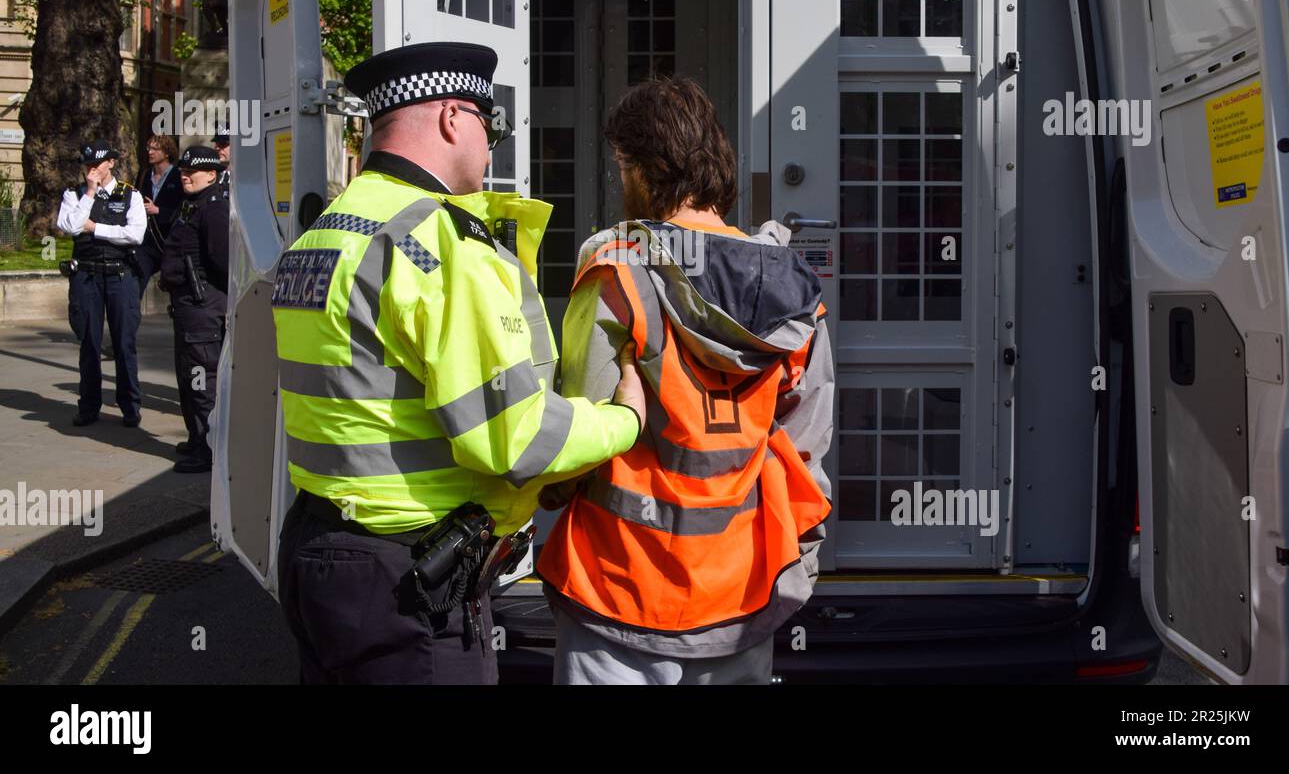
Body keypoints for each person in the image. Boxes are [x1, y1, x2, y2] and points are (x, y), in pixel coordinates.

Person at [271, 41, 646, 684]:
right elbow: (513, 437)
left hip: (317, 549)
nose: (492, 142)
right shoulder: (436, 243)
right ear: (451, 118)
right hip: (407, 581)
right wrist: (623, 420)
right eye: (487, 122)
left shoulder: (329, 230)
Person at [536, 75, 834, 685]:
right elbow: (808, 452)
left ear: (643, 170)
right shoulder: (792, 292)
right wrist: (798, 562)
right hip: (744, 588)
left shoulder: (616, 276)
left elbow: (575, 443)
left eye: (624, 168)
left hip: (617, 590)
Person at [56, 139, 146, 428]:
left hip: (120, 274)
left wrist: (96, 228)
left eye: (97, 165)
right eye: (88, 166)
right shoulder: (75, 194)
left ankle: (130, 406)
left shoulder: (130, 195)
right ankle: (89, 405)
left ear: (111, 163)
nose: (92, 170)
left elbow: (135, 234)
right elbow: (69, 225)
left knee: (124, 342)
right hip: (86, 275)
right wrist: (91, 194)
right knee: (89, 343)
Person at [158, 146, 229, 473]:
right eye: (183, 171)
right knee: (189, 377)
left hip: (202, 306)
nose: (184, 176)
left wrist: (209, 301)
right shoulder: (193, 204)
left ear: (212, 174)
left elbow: (222, 261)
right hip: (188, 305)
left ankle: (208, 449)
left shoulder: (213, 208)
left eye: (191, 172)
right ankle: (196, 439)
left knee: (202, 381)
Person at [134, 133, 184, 294]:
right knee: (137, 279)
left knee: (175, 286)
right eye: (149, 148)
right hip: (147, 241)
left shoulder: (178, 176)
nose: (150, 152)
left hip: (170, 240)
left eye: (156, 149)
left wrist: (159, 210)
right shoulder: (144, 175)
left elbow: (182, 208)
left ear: (167, 152)